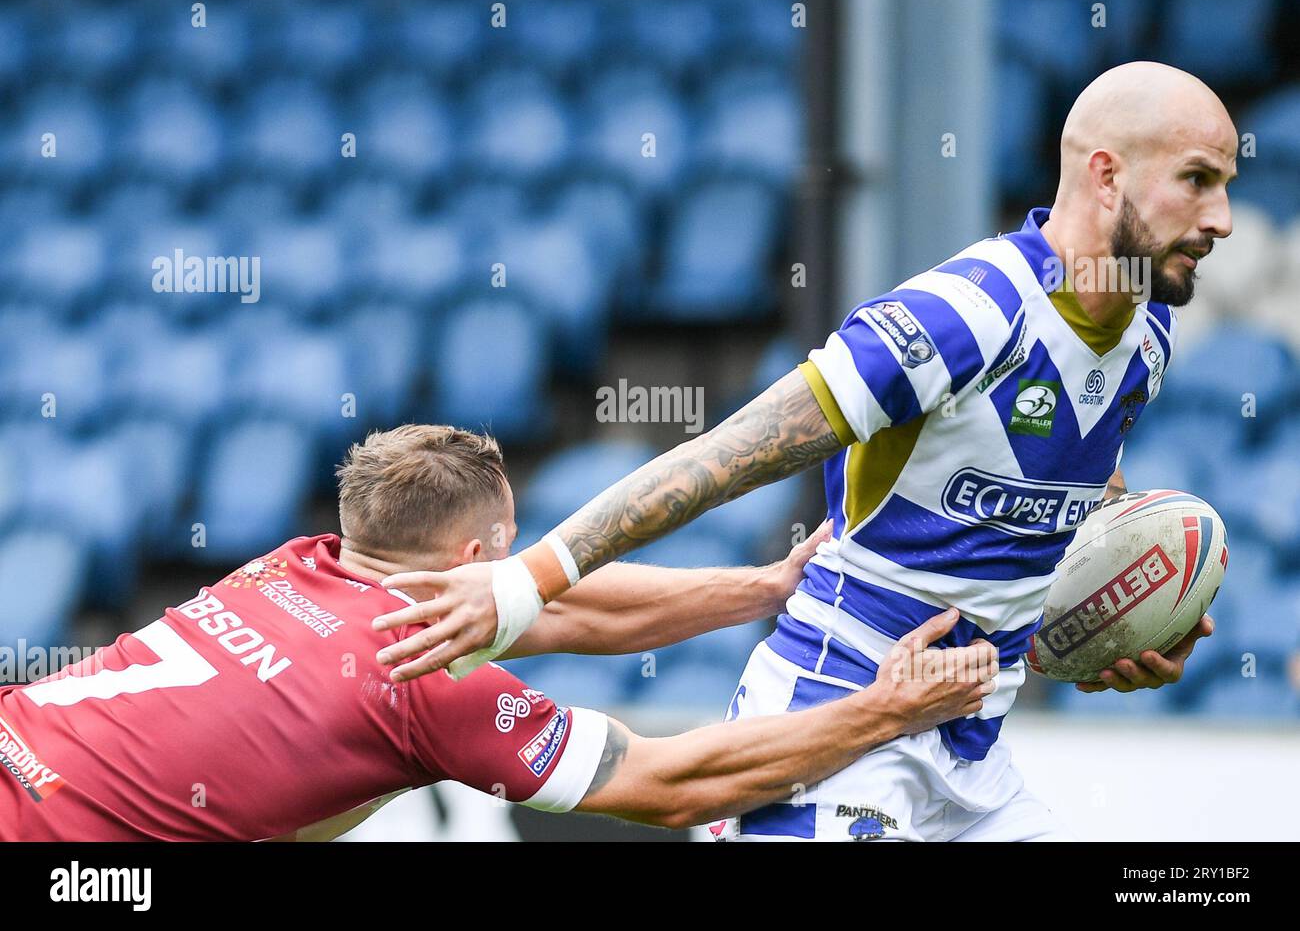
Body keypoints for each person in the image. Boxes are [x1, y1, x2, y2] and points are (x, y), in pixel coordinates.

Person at [376, 62, 1229, 841]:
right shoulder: (961, 316)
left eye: (1225, 186)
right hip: (831, 731)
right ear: (1106, 172)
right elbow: (716, 461)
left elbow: (1066, 494)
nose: (1221, 217)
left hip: (975, 762)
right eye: (1196, 180)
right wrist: (526, 582)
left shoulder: (1147, 329)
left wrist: (1112, 612)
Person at [0, 425, 996, 841]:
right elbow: (672, 781)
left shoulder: (290, 564)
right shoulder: (419, 676)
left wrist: (760, 587)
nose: (526, 574)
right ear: (480, 548)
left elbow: (552, 606)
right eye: (513, 553)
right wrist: (883, 708)